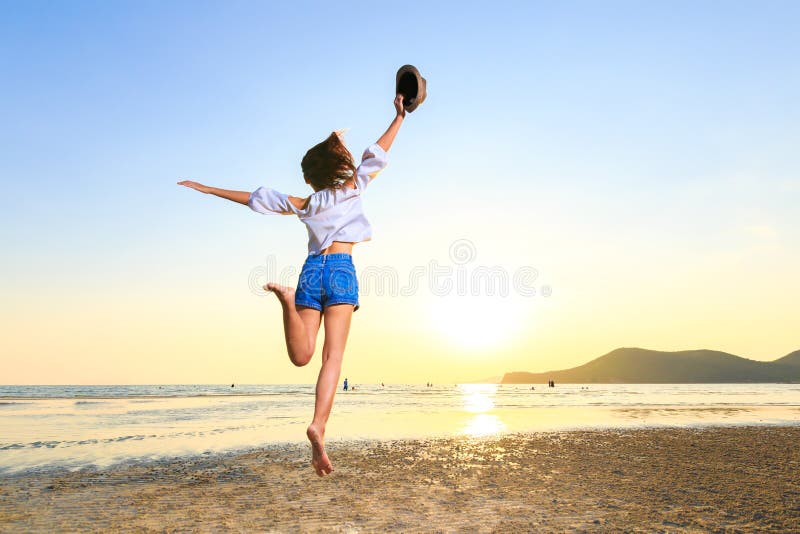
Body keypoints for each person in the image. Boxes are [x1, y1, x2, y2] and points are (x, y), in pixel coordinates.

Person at [178, 94, 406, 477]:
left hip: (310, 271)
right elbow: (377, 153)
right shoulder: (351, 187)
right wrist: (399, 117)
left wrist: (209, 189)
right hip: (340, 269)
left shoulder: (304, 203)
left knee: (301, 355)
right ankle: (318, 424)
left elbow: (255, 198)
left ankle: (286, 300)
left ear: (310, 177)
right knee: (331, 358)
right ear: (339, 166)